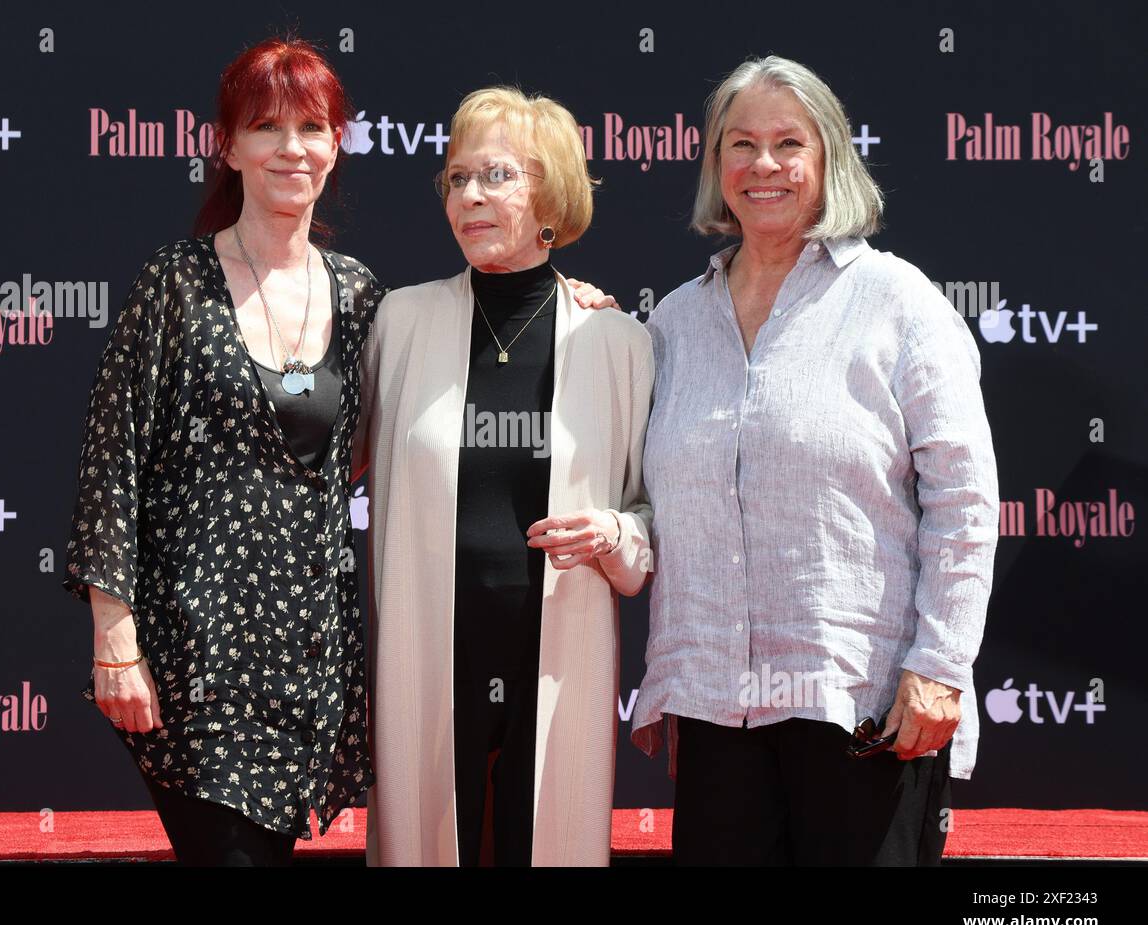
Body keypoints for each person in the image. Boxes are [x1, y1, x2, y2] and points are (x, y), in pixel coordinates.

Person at [631, 55, 1000, 866]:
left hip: (862, 707)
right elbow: (650, 501)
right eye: (741, 144)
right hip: (715, 708)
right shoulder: (674, 324)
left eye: (788, 143)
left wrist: (938, 667)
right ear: (714, 163)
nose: (763, 166)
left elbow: (966, 500)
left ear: (829, 157)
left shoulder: (898, 303)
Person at [62, 37, 384, 865]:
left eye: (312, 126)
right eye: (266, 126)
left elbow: (382, 439)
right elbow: (110, 465)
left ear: (336, 144)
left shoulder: (359, 294)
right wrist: (114, 640)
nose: (291, 147)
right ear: (228, 146)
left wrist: (563, 297)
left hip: (309, 656)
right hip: (192, 657)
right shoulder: (175, 282)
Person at [358, 86, 655, 867]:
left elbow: (652, 514)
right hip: (428, 651)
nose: (469, 197)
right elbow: (333, 462)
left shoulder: (616, 341)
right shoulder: (400, 321)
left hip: (559, 651)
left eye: (495, 176)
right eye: (456, 179)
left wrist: (616, 533)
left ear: (550, 193)